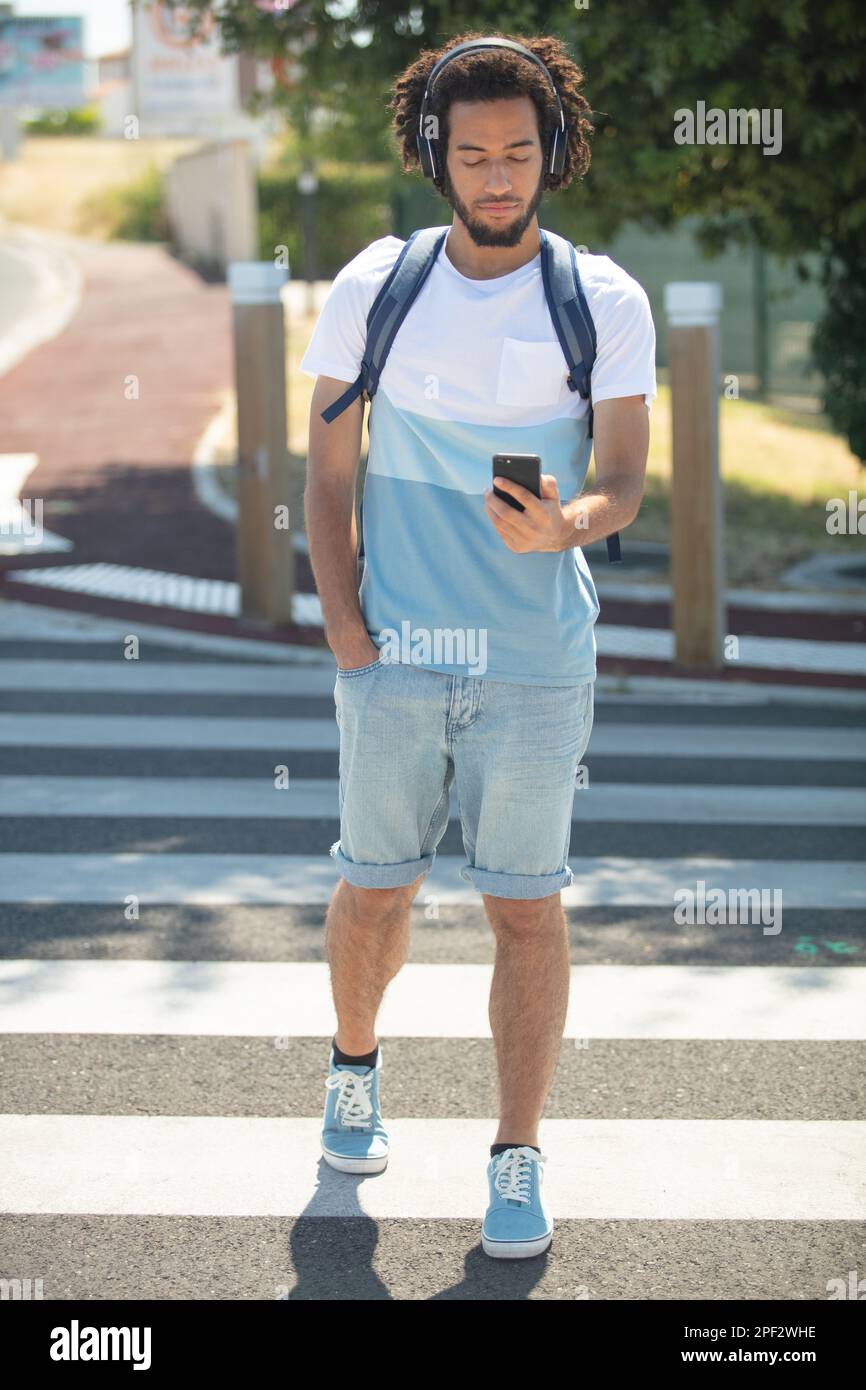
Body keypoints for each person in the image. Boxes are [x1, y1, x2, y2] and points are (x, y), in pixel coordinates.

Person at [300, 29, 656, 1259]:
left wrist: (571, 522)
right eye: (472, 156)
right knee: (376, 886)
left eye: (517, 153)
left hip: (535, 666)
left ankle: (515, 1155)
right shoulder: (374, 288)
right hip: (393, 656)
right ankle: (354, 1069)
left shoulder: (599, 298)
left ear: (551, 153)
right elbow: (327, 475)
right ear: (433, 158)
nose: (496, 177)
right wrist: (347, 630)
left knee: (526, 912)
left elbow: (622, 483)